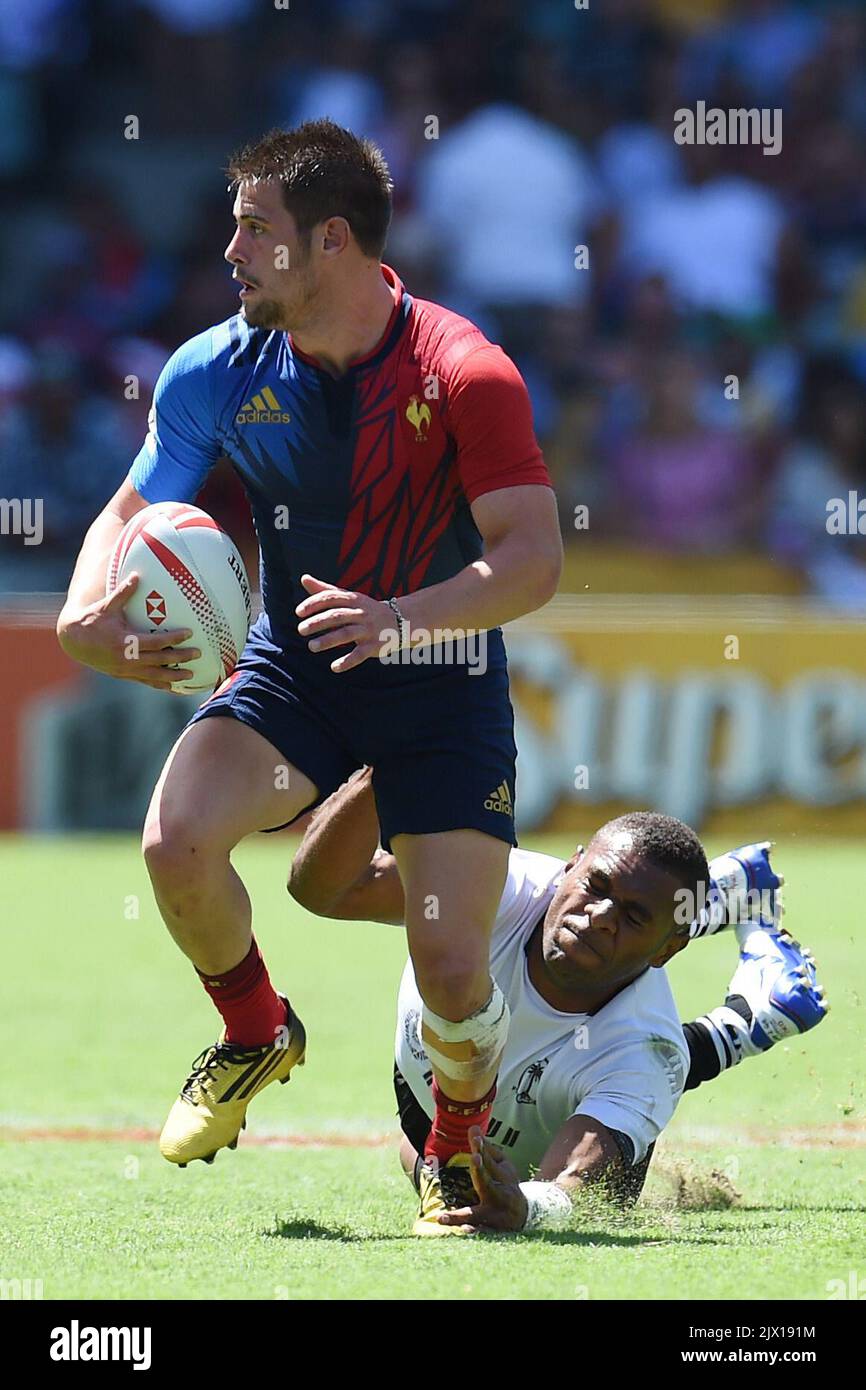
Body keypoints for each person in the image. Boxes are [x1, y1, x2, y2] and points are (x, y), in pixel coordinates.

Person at [55, 120, 562, 1232]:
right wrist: (84, 614)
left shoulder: (463, 370)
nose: (229, 252)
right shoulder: (215, 367)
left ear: (328, 242)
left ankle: (454, 1144)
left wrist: (402, 619)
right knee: (173, 843)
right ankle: (254, 1031)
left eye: (252, 230)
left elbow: (531, 557)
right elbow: (131, 511)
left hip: (441, 670)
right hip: (298, 662)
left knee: (447, 966)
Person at [288, 769, 829, 1236]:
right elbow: (329, 889)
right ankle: (730, 932)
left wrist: (527, 1207)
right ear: (569, 866)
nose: (597, 915)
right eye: (594, 884)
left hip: (532, 1129)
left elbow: (567, 1187)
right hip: (423, 1101)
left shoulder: (646, 1049)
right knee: (426, 1154)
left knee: (549, 1195)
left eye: (632, 916)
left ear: (671, 951)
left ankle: (752, 1015)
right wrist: (383, 768)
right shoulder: (494, 885)